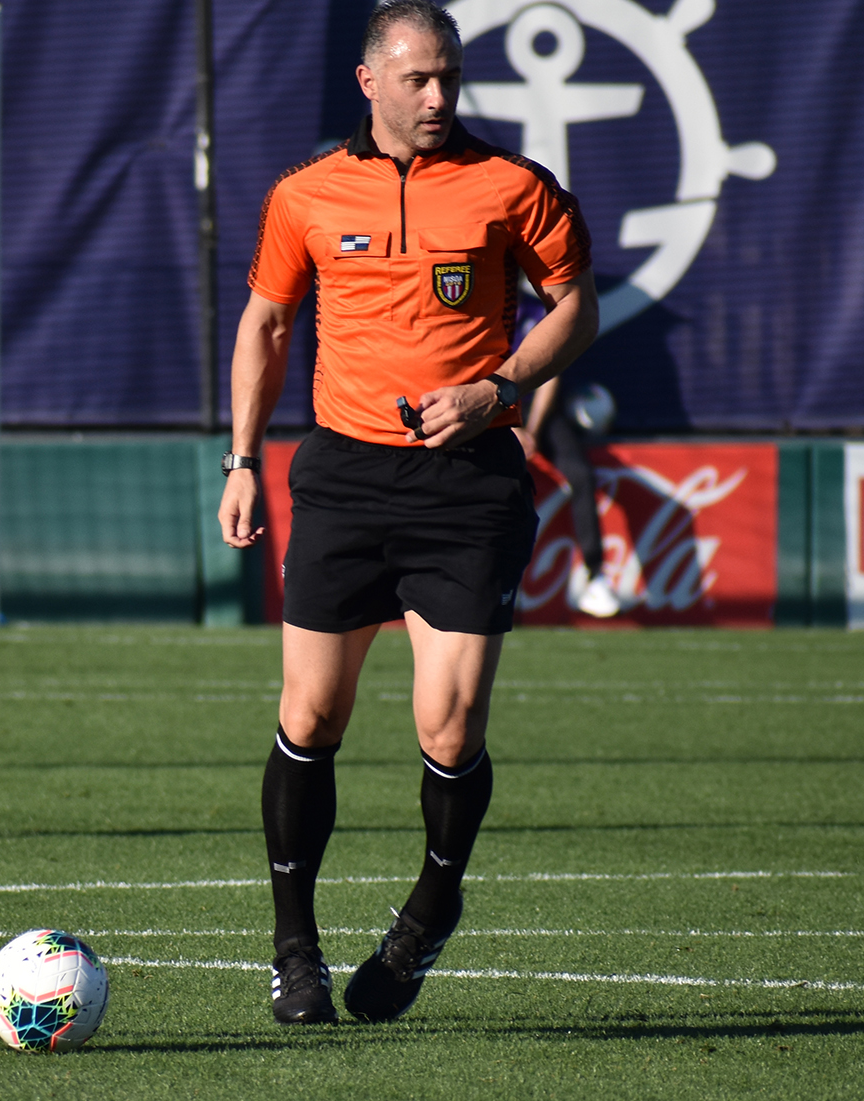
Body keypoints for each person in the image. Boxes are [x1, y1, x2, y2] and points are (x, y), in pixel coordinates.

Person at [218, 0, 598, 1024]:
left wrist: (499, 389)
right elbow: (263, 323)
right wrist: (243, 459)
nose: (437, 97)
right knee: (309, 716)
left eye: (448, 78)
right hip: (341, 477)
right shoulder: (304, 194)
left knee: (449, 723)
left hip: (467, 485)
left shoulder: (510, 187)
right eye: (417, 79)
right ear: (369, 83)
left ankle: (431, 905)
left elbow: (574, 303)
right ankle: (290, 947)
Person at [517, 373, 621, 617]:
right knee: (501, 480)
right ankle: (501, 580)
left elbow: (548, 374)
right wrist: (511, 427)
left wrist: (531, 431)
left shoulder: (531, 332)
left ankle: (595, 576)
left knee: (581, 476)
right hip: (494, 408)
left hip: (540, 412)